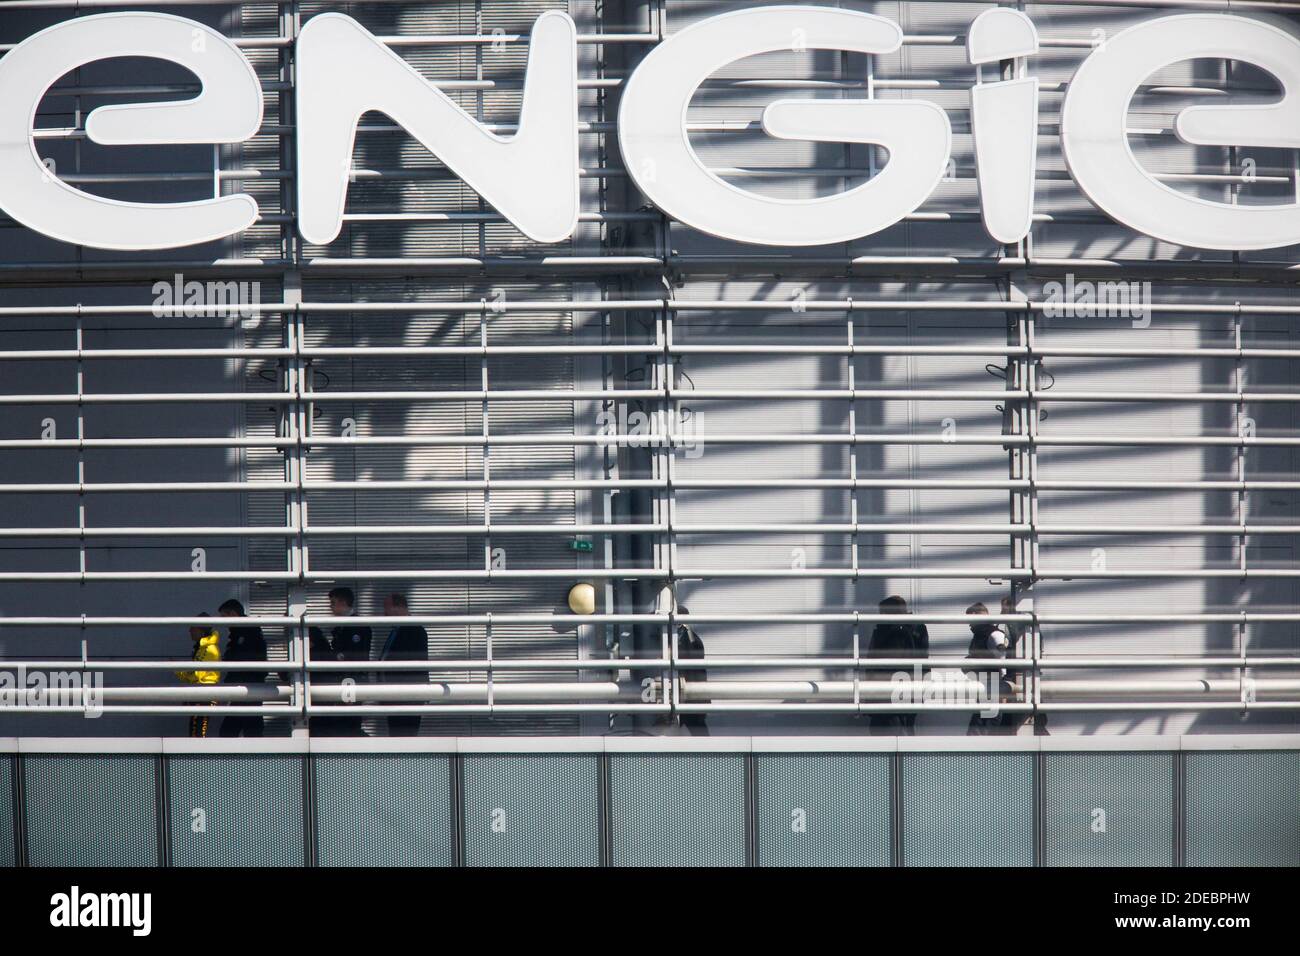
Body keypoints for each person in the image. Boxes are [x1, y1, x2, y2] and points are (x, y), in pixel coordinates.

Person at [307, 587, 372, 736]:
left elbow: (351, 656)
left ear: (343, 602)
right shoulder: (342, 626)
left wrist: (333, 656)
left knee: (349, 721)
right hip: (344, 680)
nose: (331, 607)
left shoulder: (357, 626)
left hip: (351, 680)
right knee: (342, 719)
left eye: (333, 603)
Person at [866, 595, 929, 735]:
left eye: (882, 612)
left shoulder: (887, 631)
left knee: (889, 733)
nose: (880, 616)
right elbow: (924, 661)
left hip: (889, 693)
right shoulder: (917, 628)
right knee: (904, 730)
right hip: (908, 691)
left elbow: (872, 664)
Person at [217, 598, 268, 738]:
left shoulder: (246, 632)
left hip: (247, 686)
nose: (222, 621)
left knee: (236, 729)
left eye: (224, 616)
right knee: (248, 727)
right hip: (248, 686)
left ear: (233, 614)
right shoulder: (244, 631)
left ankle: (253, 757)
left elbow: (240, 660)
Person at [378, 593, 428, 736]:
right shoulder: (397, 630)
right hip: (394, 695)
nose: (384, 613)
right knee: (396, 734)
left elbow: (417, 665)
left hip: (406, 695)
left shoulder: (414, 630)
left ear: (398, 607)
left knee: (405, 735)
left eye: (386, 608)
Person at [964, 601, 1012, 735]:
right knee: (982, 725)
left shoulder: (993, 634)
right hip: (986, 685)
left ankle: (980, 752)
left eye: (969, 619)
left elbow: (1003, 662)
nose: (968, 624)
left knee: (984, 726)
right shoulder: (983, 635)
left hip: (993, 686)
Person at [176, 613, 221, 738]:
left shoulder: (209, 649)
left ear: (201, 630)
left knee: (198, 730)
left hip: (204, 695)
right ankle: (195, 754)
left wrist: (177, 669)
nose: (190, 630)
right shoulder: (202, 648)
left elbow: (196, 673)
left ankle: (197, 755)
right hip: (200, 693)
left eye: (193, 627)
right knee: (196, 728)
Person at [674, 605, 709, 736]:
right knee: (699, 732)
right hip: (690, 696)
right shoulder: (692, 639)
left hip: (689, 696)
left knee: (698, 732)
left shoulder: (689, 640)